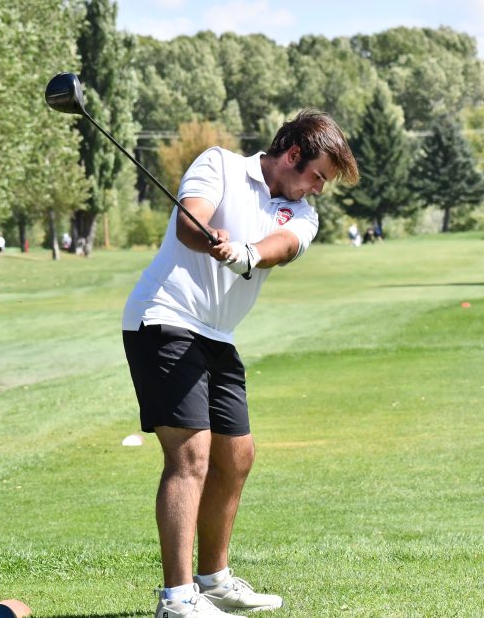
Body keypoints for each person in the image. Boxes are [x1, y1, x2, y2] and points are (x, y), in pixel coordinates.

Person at [121, 109, 358, 618]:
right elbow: (189, 224)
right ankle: (178, 598)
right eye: (317, 176)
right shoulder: (220, 165)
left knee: (238, 455)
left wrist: (246, 252)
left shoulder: (302, 212)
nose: (317, 189)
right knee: (191, 458)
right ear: (293, 154)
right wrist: (215, 242)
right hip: (165, 317)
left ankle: (213, 581)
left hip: (217, 335)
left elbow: (283, 246)